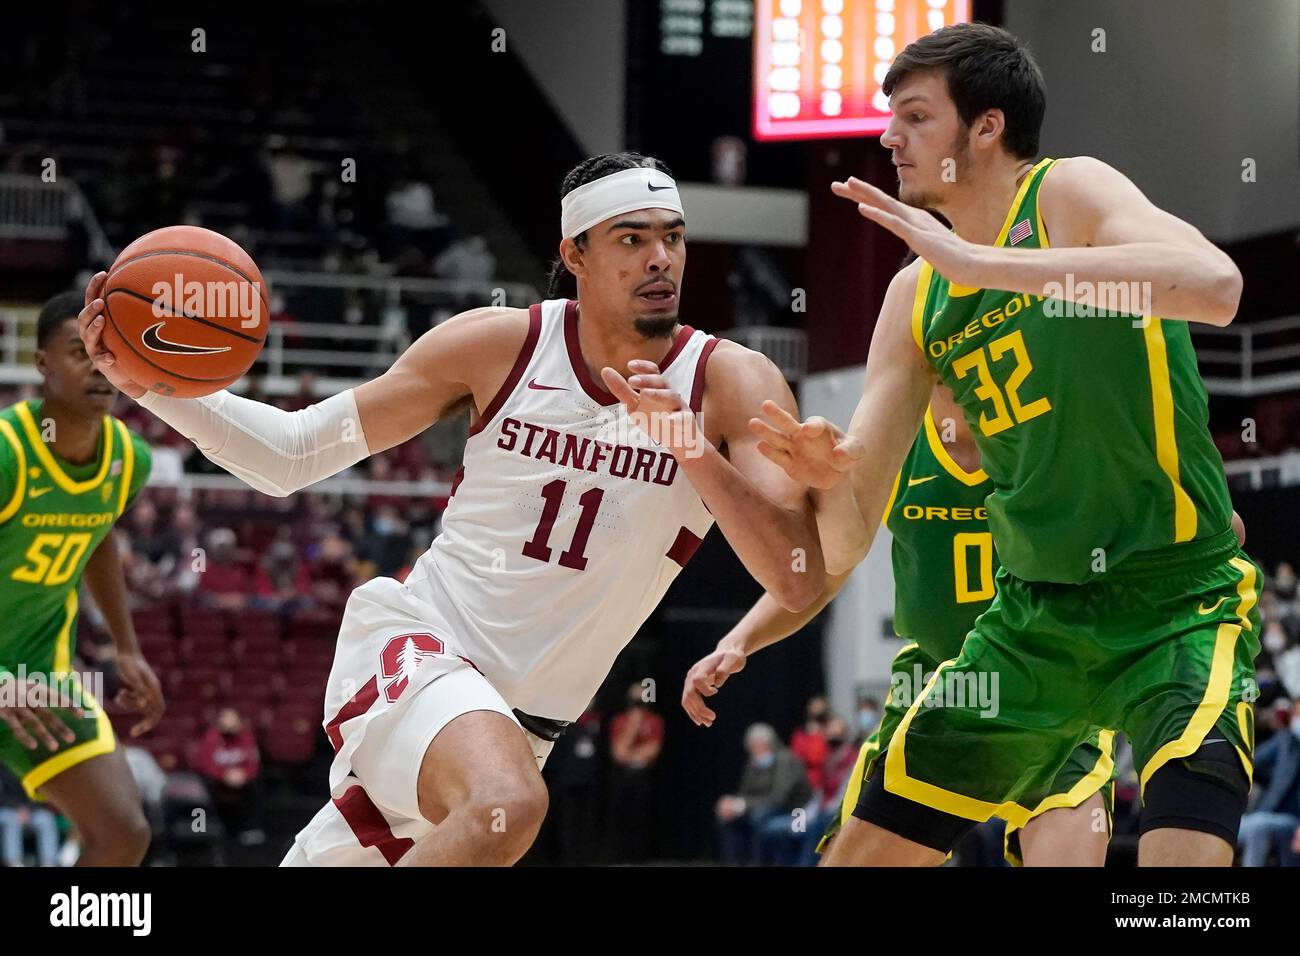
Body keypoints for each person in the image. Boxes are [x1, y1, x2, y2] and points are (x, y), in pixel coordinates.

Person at [80, 152, 825, 866]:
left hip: (521, 728)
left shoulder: (731, 381)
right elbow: (292, 455)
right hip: (421, 650)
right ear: (577, 254)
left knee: (499, 801)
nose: (660, 258)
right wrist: (146, 384)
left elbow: (796, 577)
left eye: (672, 237)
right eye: (631, 239)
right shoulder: (500, 344)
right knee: (509, 803)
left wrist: (692, 447)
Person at [753, 23, 1257, 867]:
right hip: (1030, 623)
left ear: (986, 127)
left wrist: (988, 267)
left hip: (1176, 600)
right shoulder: (914, 295)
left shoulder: (1071, 193)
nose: (889, 137)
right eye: (891, 119)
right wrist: (824, 479)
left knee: (1184, 875)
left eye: (915, 117)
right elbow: (843, 542)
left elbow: (1217, 287)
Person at [687, 382, 1114, 867]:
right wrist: (739, 638)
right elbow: (826, 571)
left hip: (1051, 686)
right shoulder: (894, 443)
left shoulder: (1053, 434)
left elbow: (1164, 506)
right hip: (933, 685)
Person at [0, 291, 161, 866]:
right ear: (41, 364)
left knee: (123, 831)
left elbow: (98, 534)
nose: (98, 366)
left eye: (109, 353)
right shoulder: (7, 453)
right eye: (79, 351)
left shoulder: (128, 458)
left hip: (37, 675)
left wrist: (125, 646)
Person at [715, 723, 811, 865]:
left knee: (759, 818)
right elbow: (745, 794)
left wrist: (742, 805)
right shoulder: (753, 764)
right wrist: (733, 804)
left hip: (797, 812)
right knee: (729, 819)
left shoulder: (785, 760)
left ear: (768, 743)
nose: (755, 751)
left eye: (758, 745)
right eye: (752, 747)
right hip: (766, 809)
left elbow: (779, 797)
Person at [1237, 699, 1300, 866]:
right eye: (1297, 712)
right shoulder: (1286, 740)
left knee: (1259, 827)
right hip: (1265, 812)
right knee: (1222, 827)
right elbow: (1252, 764)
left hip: (1292, 819)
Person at [608, 682, 665, 862]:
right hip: (623, 776)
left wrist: (632, 753)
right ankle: (620, 858)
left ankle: (640, 858)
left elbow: (653, 750)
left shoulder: (655, 721)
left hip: (644, 776)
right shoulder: (620, 720)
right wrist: (633, 725)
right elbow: (619, 753)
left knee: (641, 818)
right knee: (621, 818)